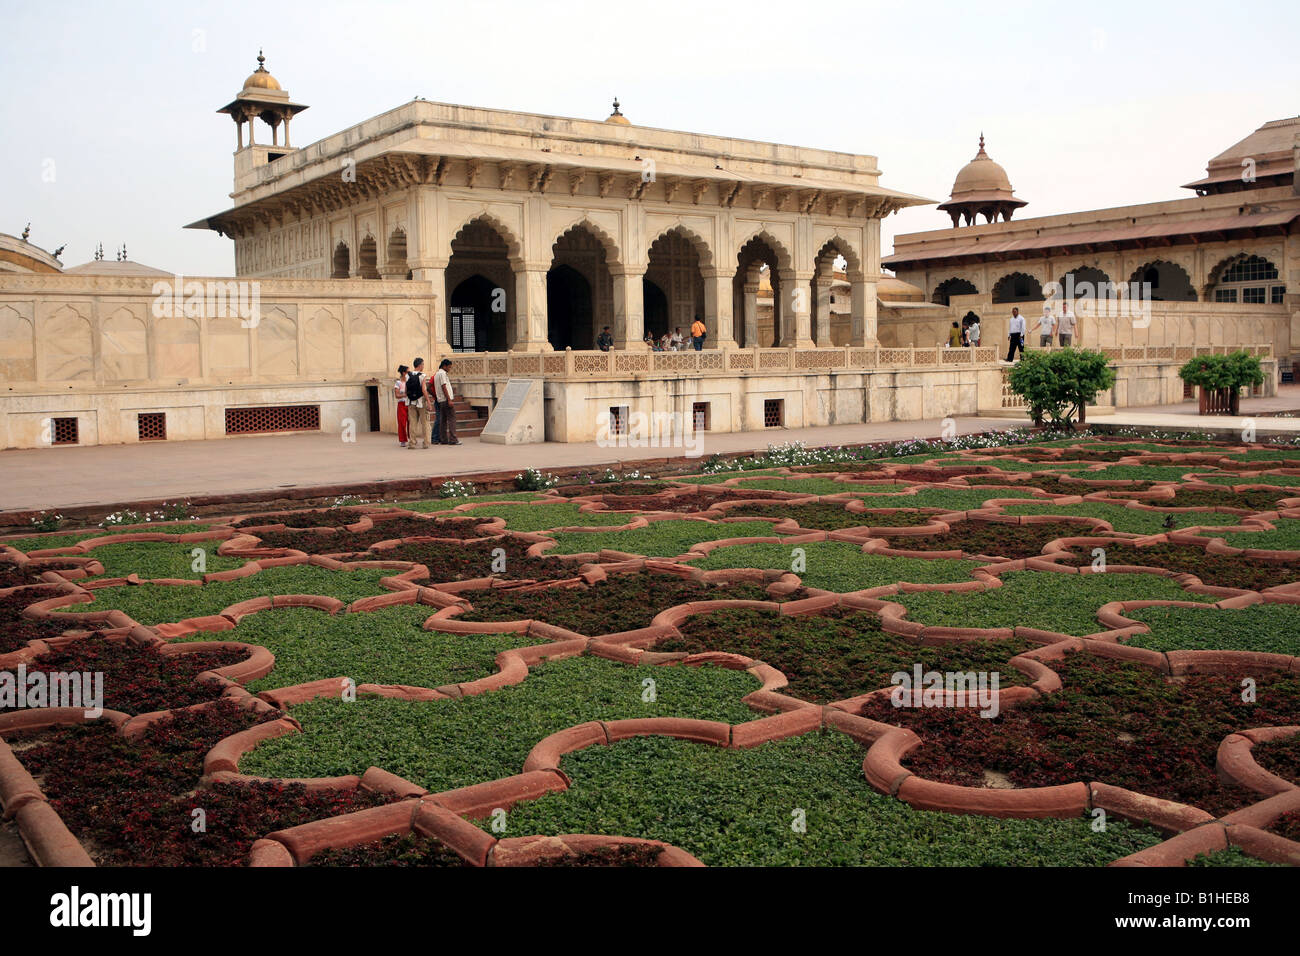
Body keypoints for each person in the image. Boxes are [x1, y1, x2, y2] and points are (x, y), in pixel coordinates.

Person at [433, 358, 460, 446]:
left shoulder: (437, 374)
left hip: (440, 400)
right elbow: (444, 386)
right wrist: (449, 399)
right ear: (444, 366)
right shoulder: (442, 374)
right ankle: (453, 439)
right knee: (452, 419)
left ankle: (444, 439)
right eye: (449, 367)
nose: (449, 369)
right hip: (445, 399)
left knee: (443, 420)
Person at [405, 358, 429, 449]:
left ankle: (412, 442)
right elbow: (424, 390)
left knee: (412, 423)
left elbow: (406, 390)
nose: (423, 366)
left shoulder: (408, 375)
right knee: (424, 422)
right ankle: (425, 442)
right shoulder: (422, 375)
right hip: (420, 401)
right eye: (423, 364)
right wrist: (429, 402)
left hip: (411, 402)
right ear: (419, 365)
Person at [394, 364, 410, 448]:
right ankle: (403, 439)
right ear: (404, 373)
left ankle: (411, 437)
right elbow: (397, 395)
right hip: (402, 404)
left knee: (411, 421)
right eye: (407, 372)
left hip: (409, 403)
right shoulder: (398, 383)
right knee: (402, 422)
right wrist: (405, 394)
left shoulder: (409, 381)